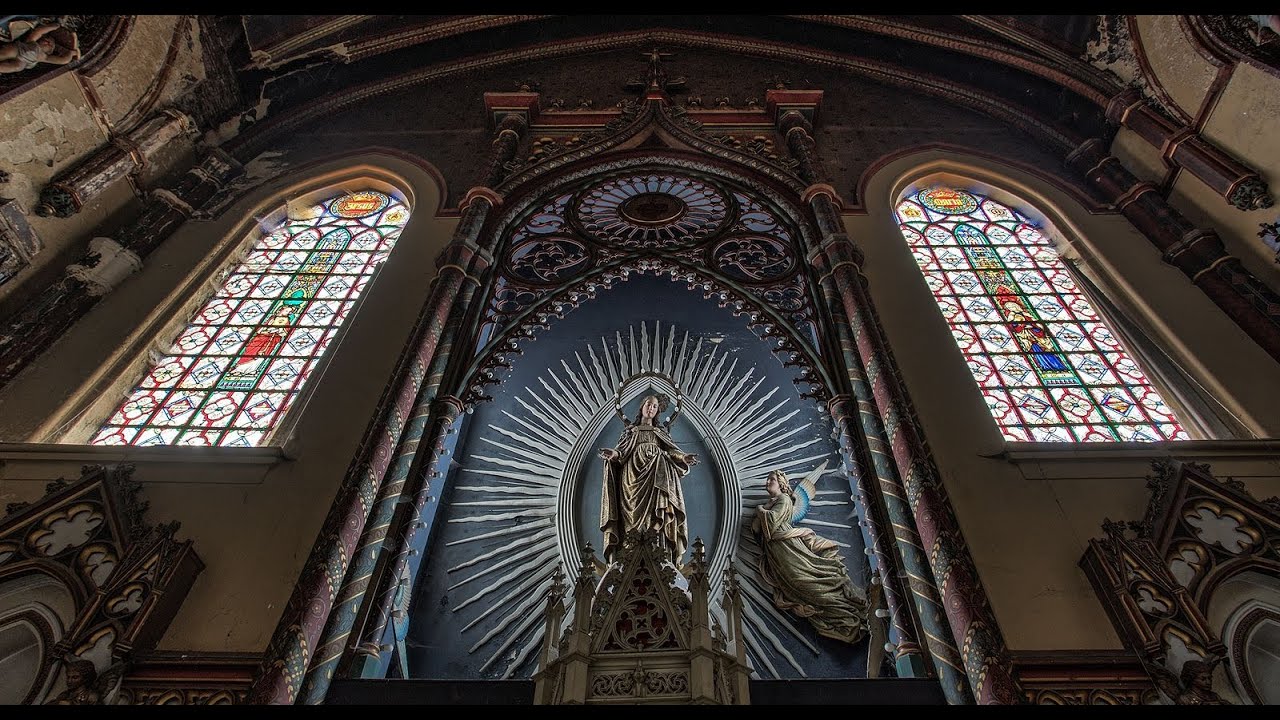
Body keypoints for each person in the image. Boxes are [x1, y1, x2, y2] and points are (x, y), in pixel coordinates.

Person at [752, 469, 868, 645]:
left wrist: (761, 509)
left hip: (789, 549)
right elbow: (756, 530)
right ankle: (836, 612)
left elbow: (771, 524)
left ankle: (847, 611)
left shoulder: (783, 500)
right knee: (795, 588)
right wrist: (764, 510)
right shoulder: (772, 503)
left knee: (805, 581)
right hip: (776, 555)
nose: (767, 482)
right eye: (768, 479)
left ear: (782, 483)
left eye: (772, 479)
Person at [599, 393, 698, 567]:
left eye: (654, 407)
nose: (651, 409)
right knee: (631, 515)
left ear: (658, 411)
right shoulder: (631, 432)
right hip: (631, 479)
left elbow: (672, 451)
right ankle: (629, 552)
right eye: (648, 405)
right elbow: (621, 452)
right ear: (641, 407)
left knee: (657, 513)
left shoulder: (659, 433)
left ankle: (658, 553)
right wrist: (612, 454)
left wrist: (683, 457)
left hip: (656, 479)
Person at [0, 21, 79, 74]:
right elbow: (39, 31)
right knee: (7, 52)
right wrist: (54, 26)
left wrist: (72, 53)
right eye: (47, 39)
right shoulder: (31, 41)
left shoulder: (43, 57)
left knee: (17, 67)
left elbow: (62, 61)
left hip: (22, 62)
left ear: (49, 52)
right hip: (18, 49)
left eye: (50, 45)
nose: (48, 42)